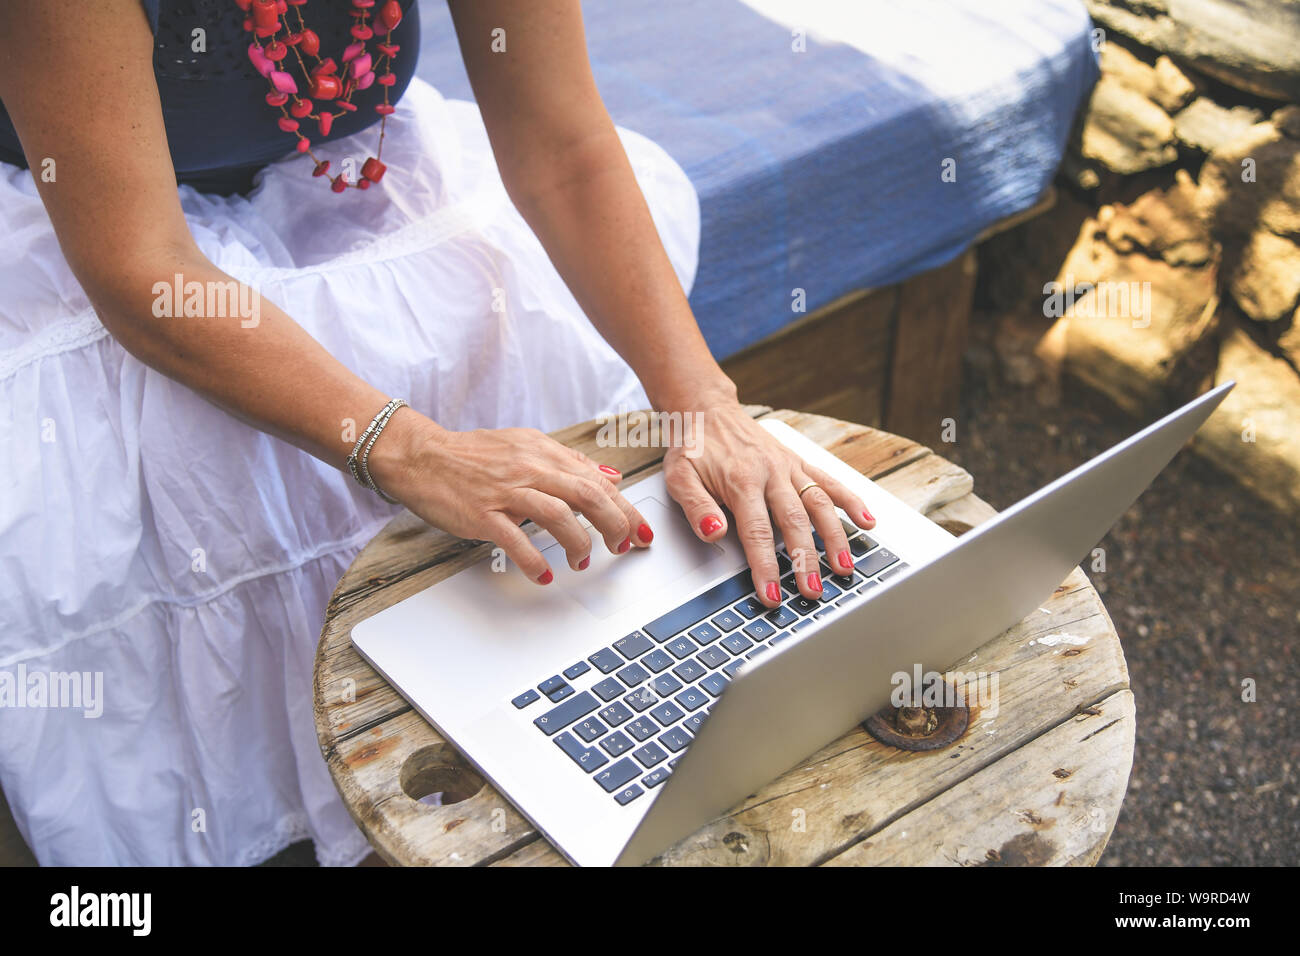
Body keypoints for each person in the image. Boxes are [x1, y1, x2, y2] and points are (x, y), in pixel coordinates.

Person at [0, 0, 875, 865]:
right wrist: (409, 448)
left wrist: (703, 404)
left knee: (491, 321)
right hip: (102, 228)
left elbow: (564, 146)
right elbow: (142, 268)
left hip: (353, 175)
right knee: (197, 448)